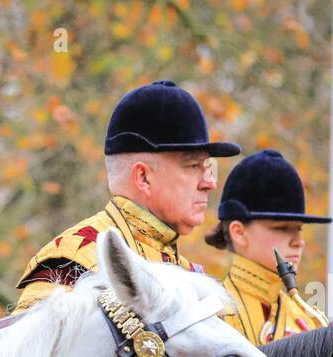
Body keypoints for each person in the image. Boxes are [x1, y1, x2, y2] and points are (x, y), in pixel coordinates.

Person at [13, 80, 240, 311]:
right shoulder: (72, 265)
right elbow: (27, 347)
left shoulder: (190, 275)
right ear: (143, 178)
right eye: (193, 166)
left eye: (209, 167)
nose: (210, 183)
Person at [204, 148, 331, 344]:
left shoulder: (309, 321)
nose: (298, 241)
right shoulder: (207, 316)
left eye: (299, 229)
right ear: (238, 232)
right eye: (281, 228)